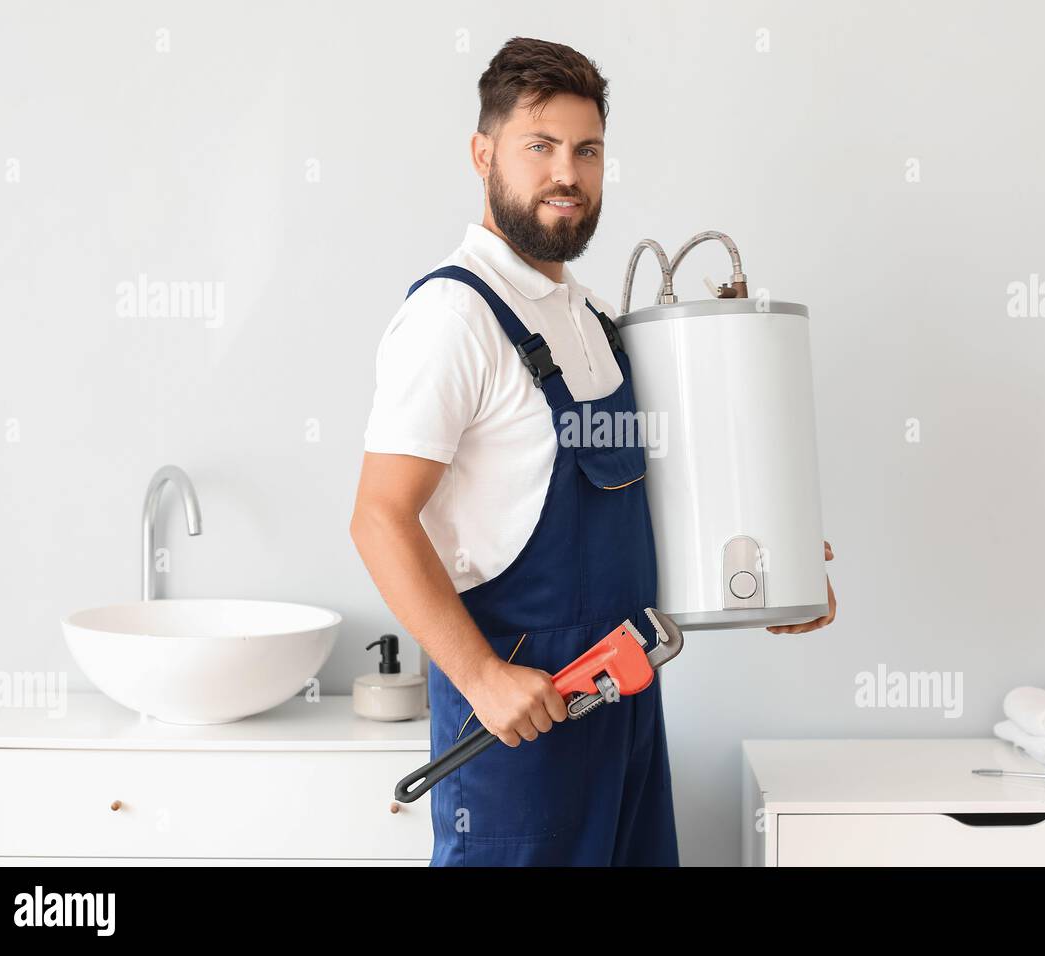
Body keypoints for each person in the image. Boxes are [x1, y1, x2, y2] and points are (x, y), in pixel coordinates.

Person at [350, 36, 836, 866]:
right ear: (483, 154)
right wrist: (480, 678)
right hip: (523, 717)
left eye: (586, 150)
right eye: (538, 147)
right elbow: (378, 519)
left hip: (626, 702)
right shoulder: (453, 319)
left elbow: (653, 499)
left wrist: (779, 569)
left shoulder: (594, 319)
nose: (565, 173)